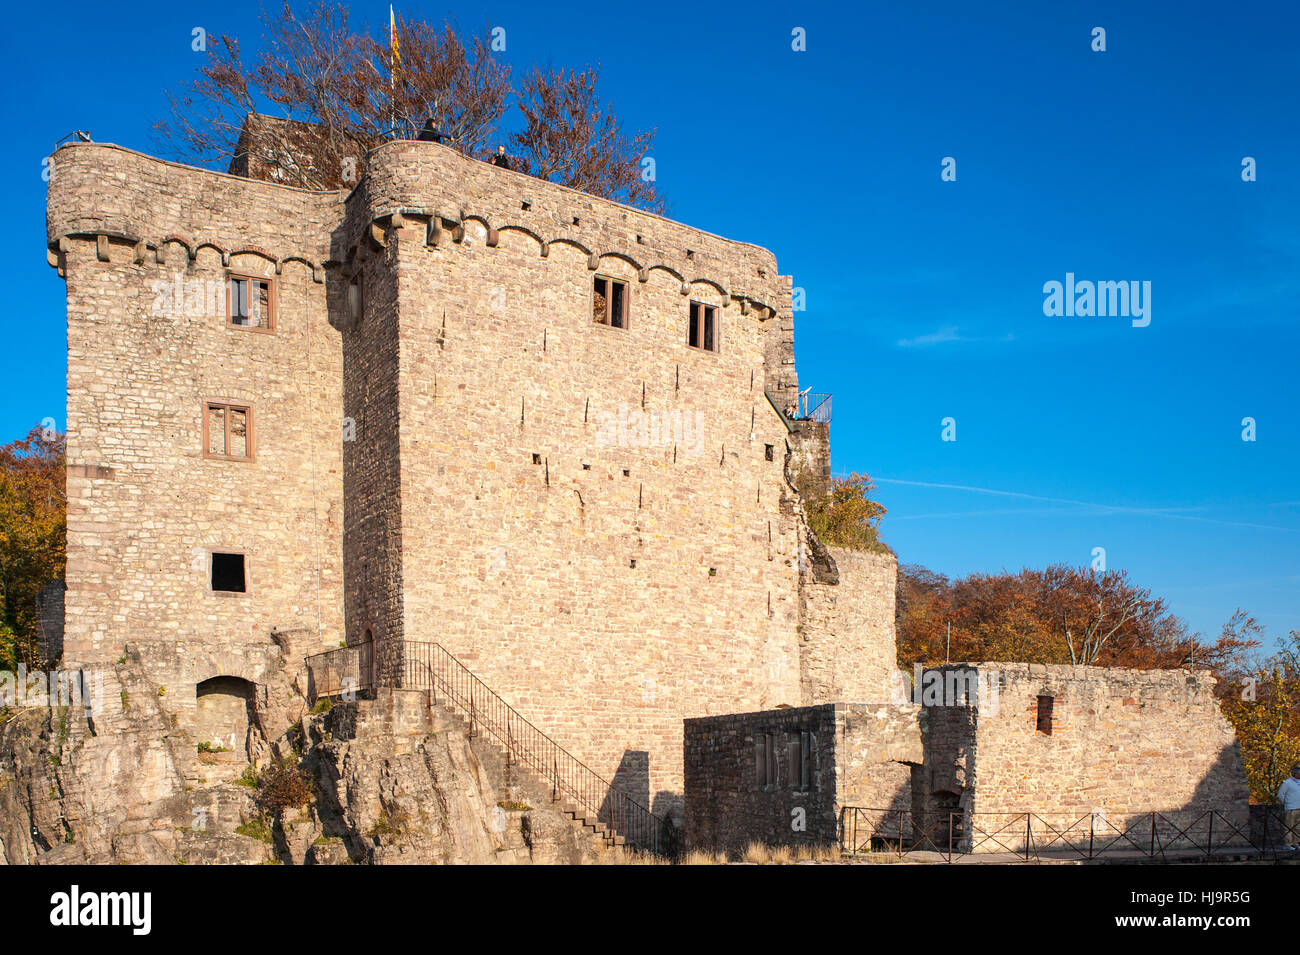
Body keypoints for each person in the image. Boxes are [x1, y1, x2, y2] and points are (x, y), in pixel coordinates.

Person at [1277, 764, 1300, 850]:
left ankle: (1296, 843)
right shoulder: (1287, 783)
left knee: (1298, 827)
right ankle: (1288, 844)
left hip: (1299, 807)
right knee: (1289, 827)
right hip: (1291, 808)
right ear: (1294, 774)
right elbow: (1280, 794)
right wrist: (1286, 803)